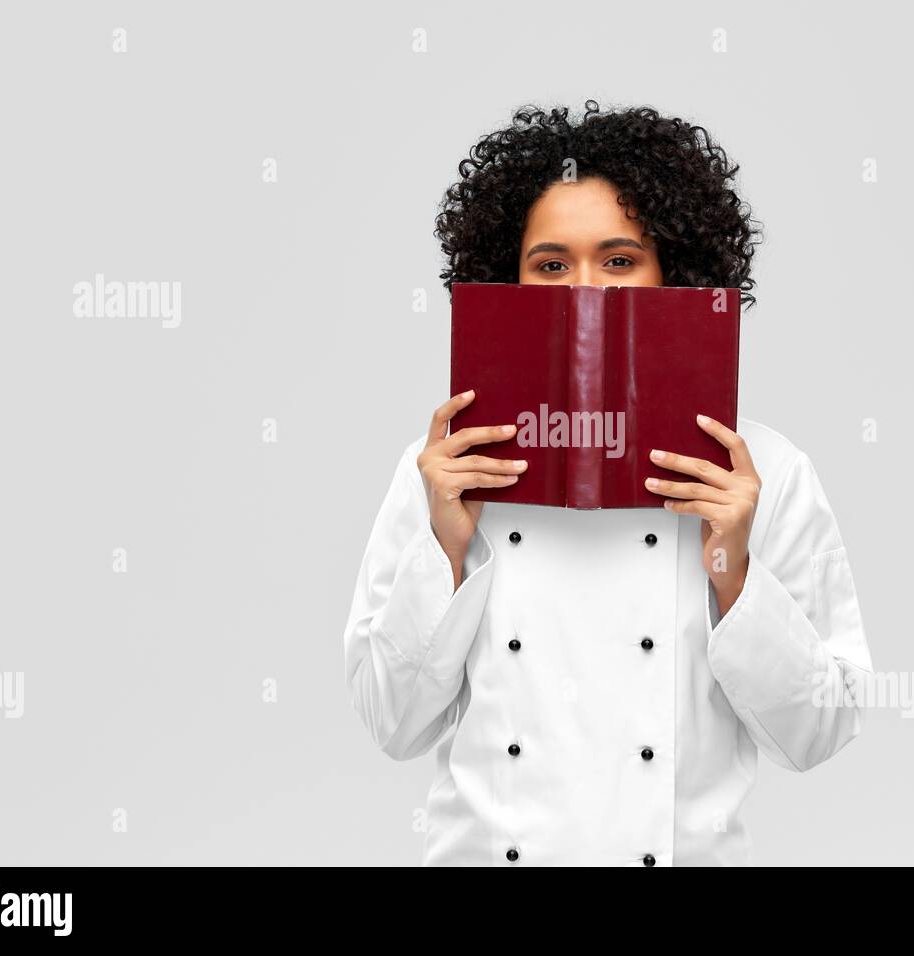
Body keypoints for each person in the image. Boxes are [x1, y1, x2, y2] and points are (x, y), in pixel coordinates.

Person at [343, 100, 873, 866]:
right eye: (551, 264)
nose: (584, 290)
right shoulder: (447, 468)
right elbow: (391, 724)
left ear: (676, 276)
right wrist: (443, 546)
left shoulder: (761, 471)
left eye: (621, 260)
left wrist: (734, 568)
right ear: (508, 282)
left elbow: (818, 731)